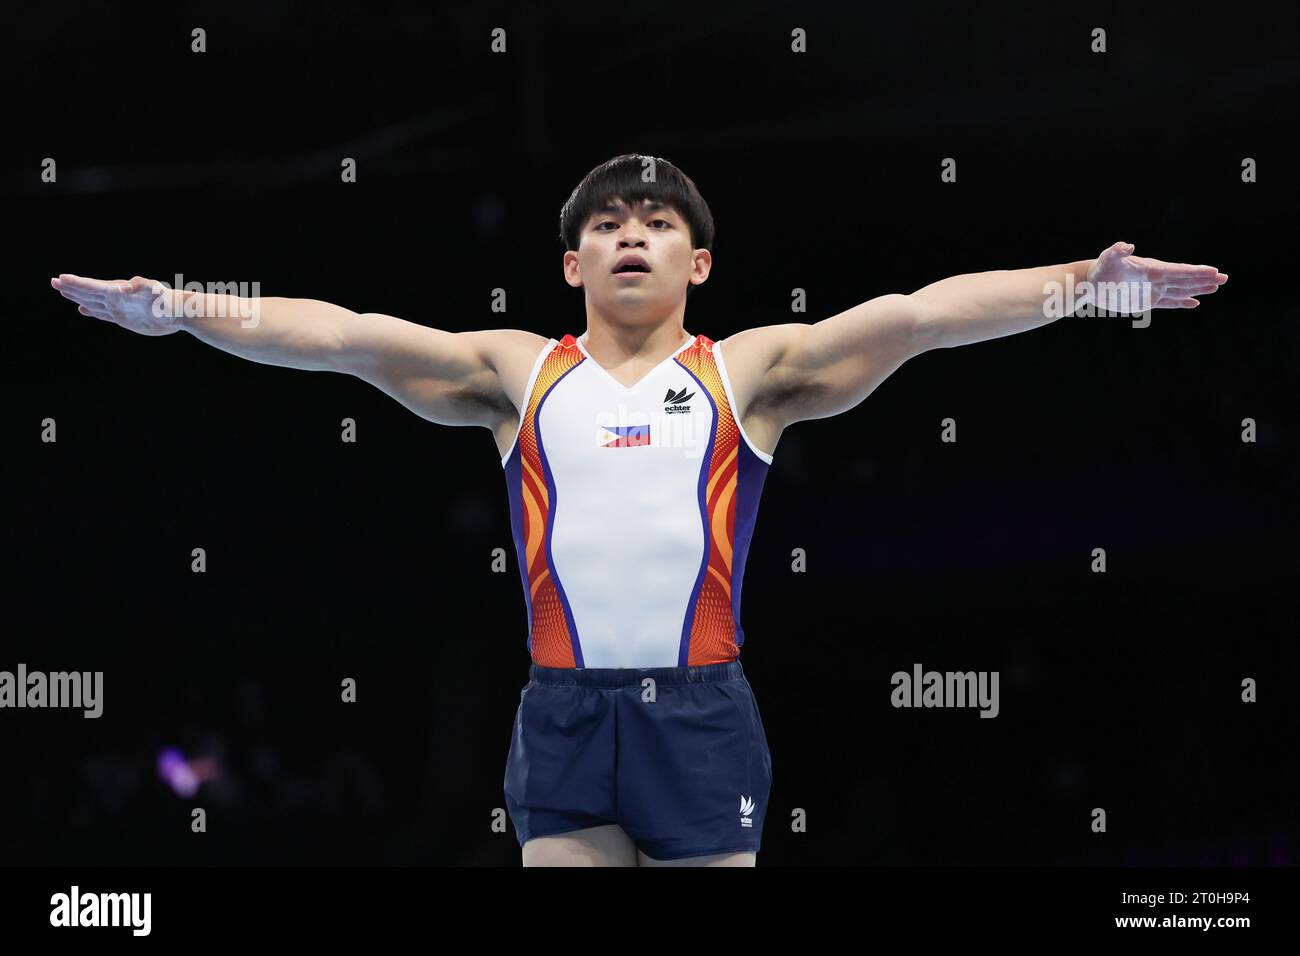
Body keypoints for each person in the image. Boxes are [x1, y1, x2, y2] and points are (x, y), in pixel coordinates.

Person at [49, 153, 1228, 867]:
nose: (629, 234)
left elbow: (920, 315)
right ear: (571, 264)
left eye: (656, 224)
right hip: (560, 713)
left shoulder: (750, 371)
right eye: (606, 224)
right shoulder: (515, 372)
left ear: (698, 265)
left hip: (702, 713)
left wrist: (1080, 288)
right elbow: (347, 339)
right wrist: (187, 308)